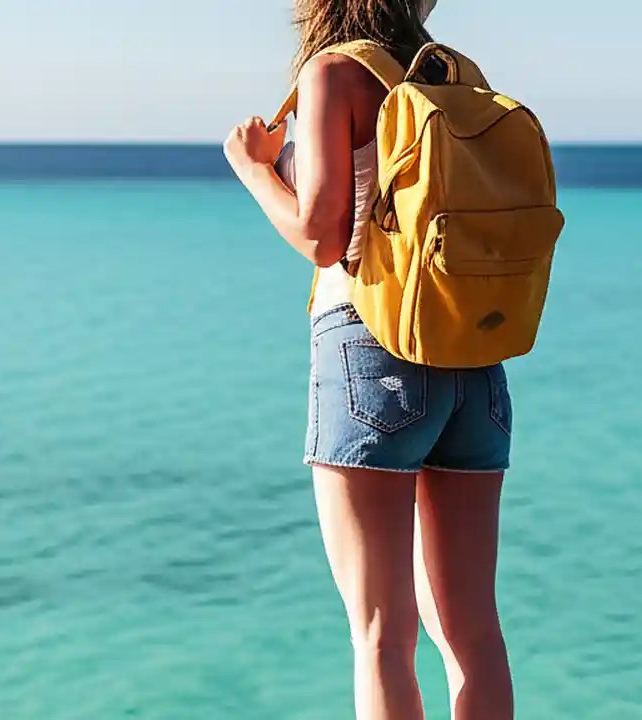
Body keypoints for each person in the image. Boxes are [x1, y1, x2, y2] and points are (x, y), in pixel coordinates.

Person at [222, 2, 516, 719]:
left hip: (370, 350)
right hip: (473, 359)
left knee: (382, 634)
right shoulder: (455, 79)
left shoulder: (335, 74)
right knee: (472, 631)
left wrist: (255, 170)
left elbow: (324, 236)